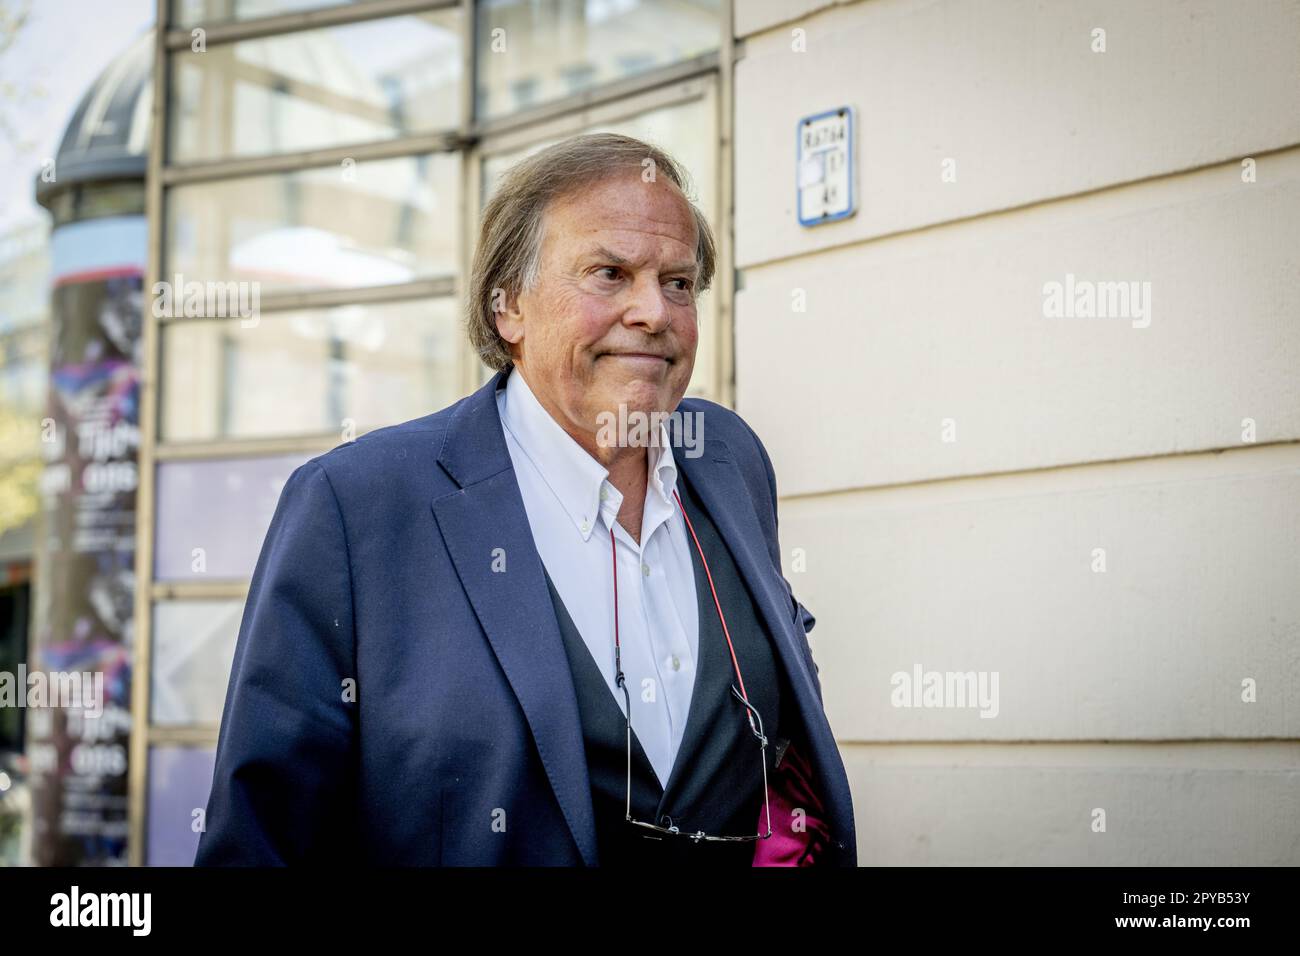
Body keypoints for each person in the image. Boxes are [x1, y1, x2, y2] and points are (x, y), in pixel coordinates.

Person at [195, 133, 856, 866]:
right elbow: (262, 839)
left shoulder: (729, 459)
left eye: (677, 282)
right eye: (610, 274)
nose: (655, 312)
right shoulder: (357, 507)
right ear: (507, 306)